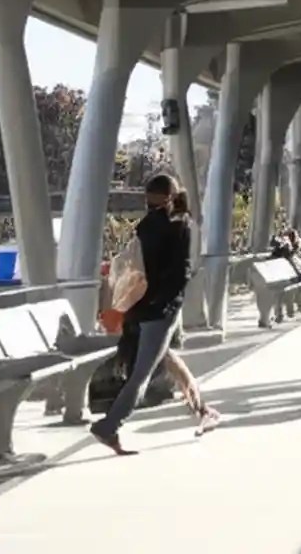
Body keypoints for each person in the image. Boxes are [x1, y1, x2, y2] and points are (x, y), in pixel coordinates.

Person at [90, 174, 192, 455]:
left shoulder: (147, 225)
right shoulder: (179, 226)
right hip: (162, 310)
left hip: (140, 308)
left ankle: (200, 406)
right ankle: (108, 426)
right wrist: (170, 299)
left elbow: (138, 269)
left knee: (158, 359)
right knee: (141, 375)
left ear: (150, 197)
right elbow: (180, 272)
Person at [160, 190, 221, 436]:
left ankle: (197, 402)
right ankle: (193, 399)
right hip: (176, 294)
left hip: (166, 297)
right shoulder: (189, 226)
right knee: (165, 350)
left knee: (164, 352)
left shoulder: (176, 228)